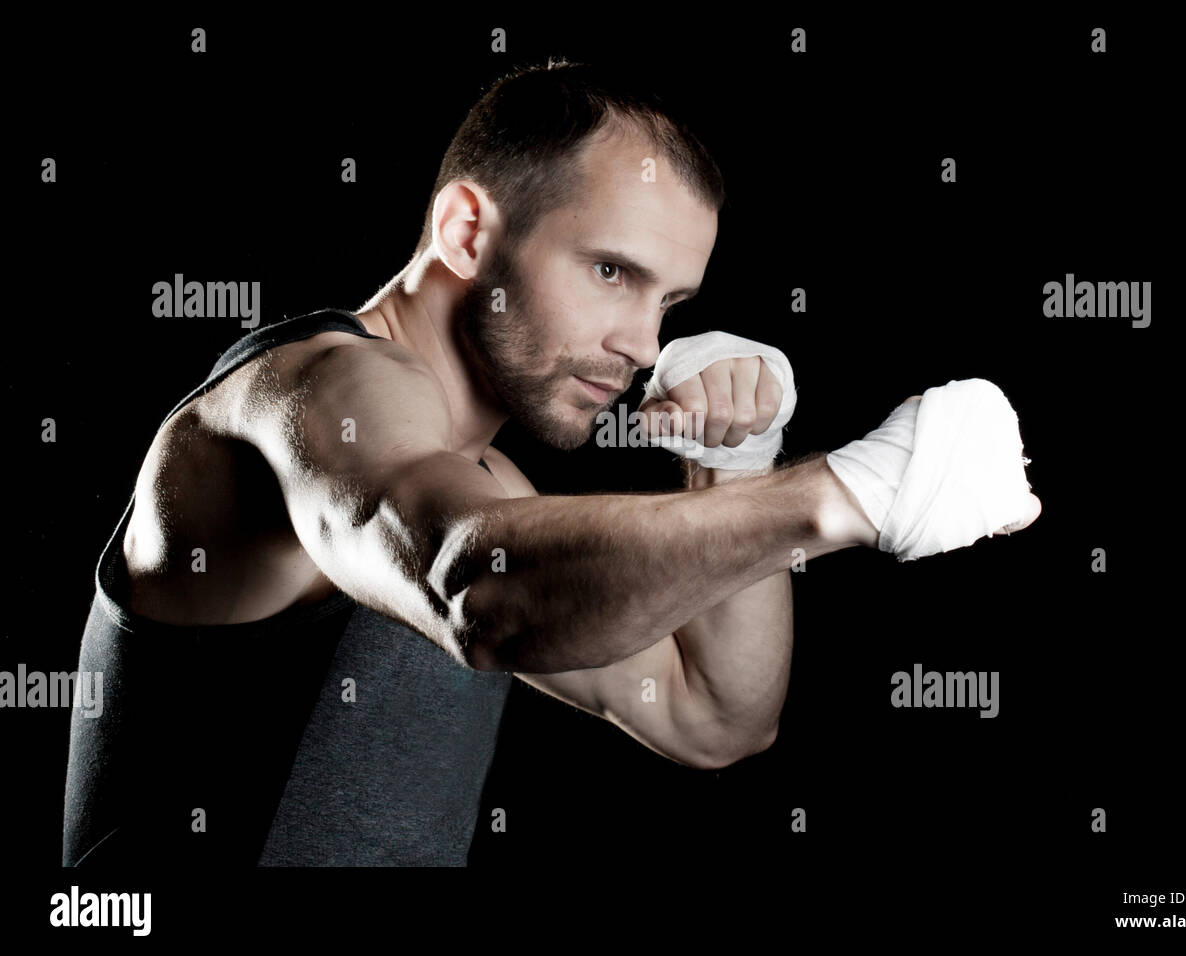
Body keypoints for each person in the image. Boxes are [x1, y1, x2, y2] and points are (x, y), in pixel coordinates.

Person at [63, 58, 1039, 867]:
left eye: (669, 303)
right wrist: (846, 490)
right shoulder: (315, 395)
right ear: (466, 230)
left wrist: (737, 461)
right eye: (612, 271)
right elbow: (471, 583)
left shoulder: (484, 484)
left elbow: (714, 716)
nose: (642, 346)